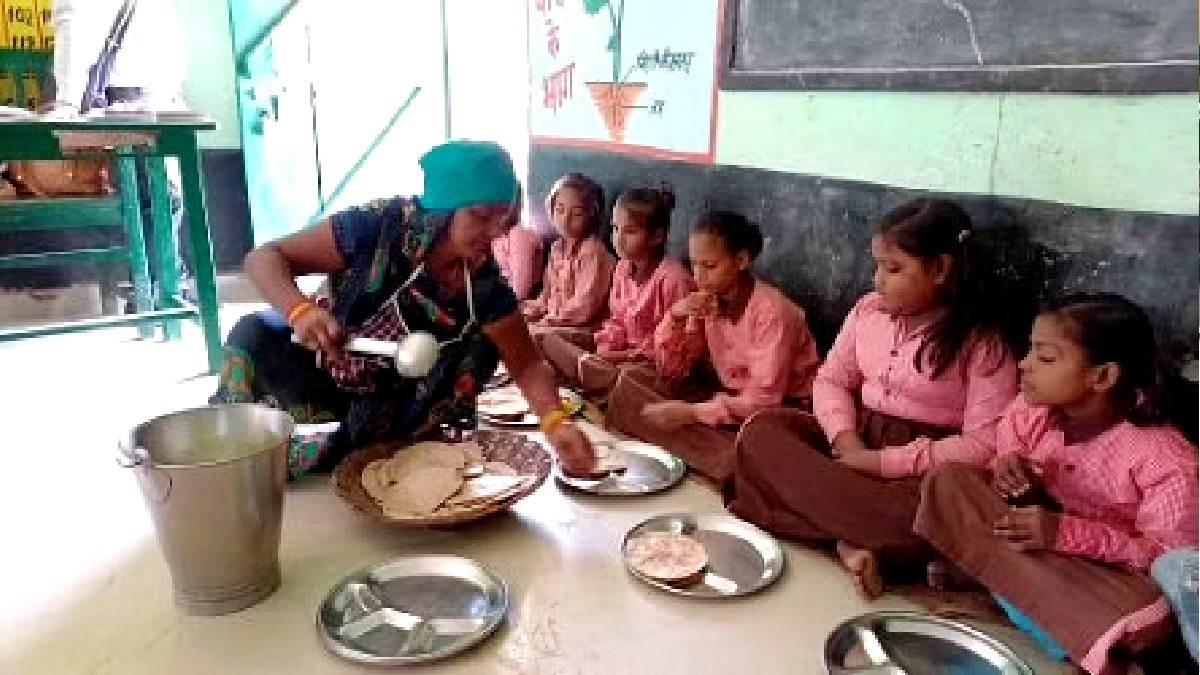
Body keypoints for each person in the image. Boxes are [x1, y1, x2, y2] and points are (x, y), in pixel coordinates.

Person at [211, 140, 595, 478]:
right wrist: (300, 311)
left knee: (480, 342)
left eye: (503, 218)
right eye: (481, 215)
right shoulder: (377, 226)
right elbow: (264, 258)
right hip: (328, 363)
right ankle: (245, 451)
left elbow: (526, 363)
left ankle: (367, 442)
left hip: (397, 402)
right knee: (253, 334)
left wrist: (555, 421)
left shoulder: (485, 284)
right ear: (443, 209)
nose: (496, 231)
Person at [726, 198, 1019, 597]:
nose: (878, 280)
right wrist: (844, 437)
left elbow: (984, 445)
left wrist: (882, 463)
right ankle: (858, 539)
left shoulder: (981, 342)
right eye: (877, 265)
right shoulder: (868, 311)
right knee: (762, 432)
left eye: (893, 269)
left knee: (937, 511)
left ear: (940, 269)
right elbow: (832, 380)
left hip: (922, 470)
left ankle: (833, 531)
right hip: (855, 439)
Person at [915, 293, 1199, 675]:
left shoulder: (1164, 458)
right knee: (950, 481)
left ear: (1102, 376)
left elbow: (1164, 558)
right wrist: (1008, 470)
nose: (1024, 364)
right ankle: (1049, 620)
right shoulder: (1032, 410)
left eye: (1046, 358)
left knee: (1145, 610)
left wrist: (1065, 534)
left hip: (1114, 584)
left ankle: (1013, 598)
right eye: (1030, 350)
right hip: (1047, 560)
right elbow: (1007, 451)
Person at [606, 210, 819, 484]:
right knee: (632, 381)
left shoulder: (773, 313)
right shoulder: (708, 301)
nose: (699, 277)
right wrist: (676, 317)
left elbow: (764, 400)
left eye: (709, 266)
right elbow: (672, 370)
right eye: (694, 265)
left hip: (779, 410)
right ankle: (717, 454)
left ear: (741, 261)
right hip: (726, 398)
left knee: (756, 437)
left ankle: (732, 462)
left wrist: (693, 412)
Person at [540, 185, 693, 397]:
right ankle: (587, 376)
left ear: (657, 236)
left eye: (630, 231)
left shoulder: (673, 279)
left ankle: (589, 379)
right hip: (618, 354)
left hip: (651, 365)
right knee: (547, 338)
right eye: (615, 228)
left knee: (626, 379)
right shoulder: (622, 267)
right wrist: (604, 348)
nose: (618, 239)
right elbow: (617, 322)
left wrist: (615, 358)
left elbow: (672, 352)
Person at [522, 172, 615, 340]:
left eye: (577, 213)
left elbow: (584, 308)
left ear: (592, 214)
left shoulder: (594, 253)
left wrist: (547, 321)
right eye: (560, 210)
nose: (565, 219)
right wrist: (528, 312)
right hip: (554, 322)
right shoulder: (557, 248)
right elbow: (547, 296)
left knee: (531, 338)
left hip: (584, 328)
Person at [491, 184, 544, 301]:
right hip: (503, 292)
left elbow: (521, 288)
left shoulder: (518, 235)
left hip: (521, 299)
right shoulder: (498, 236)